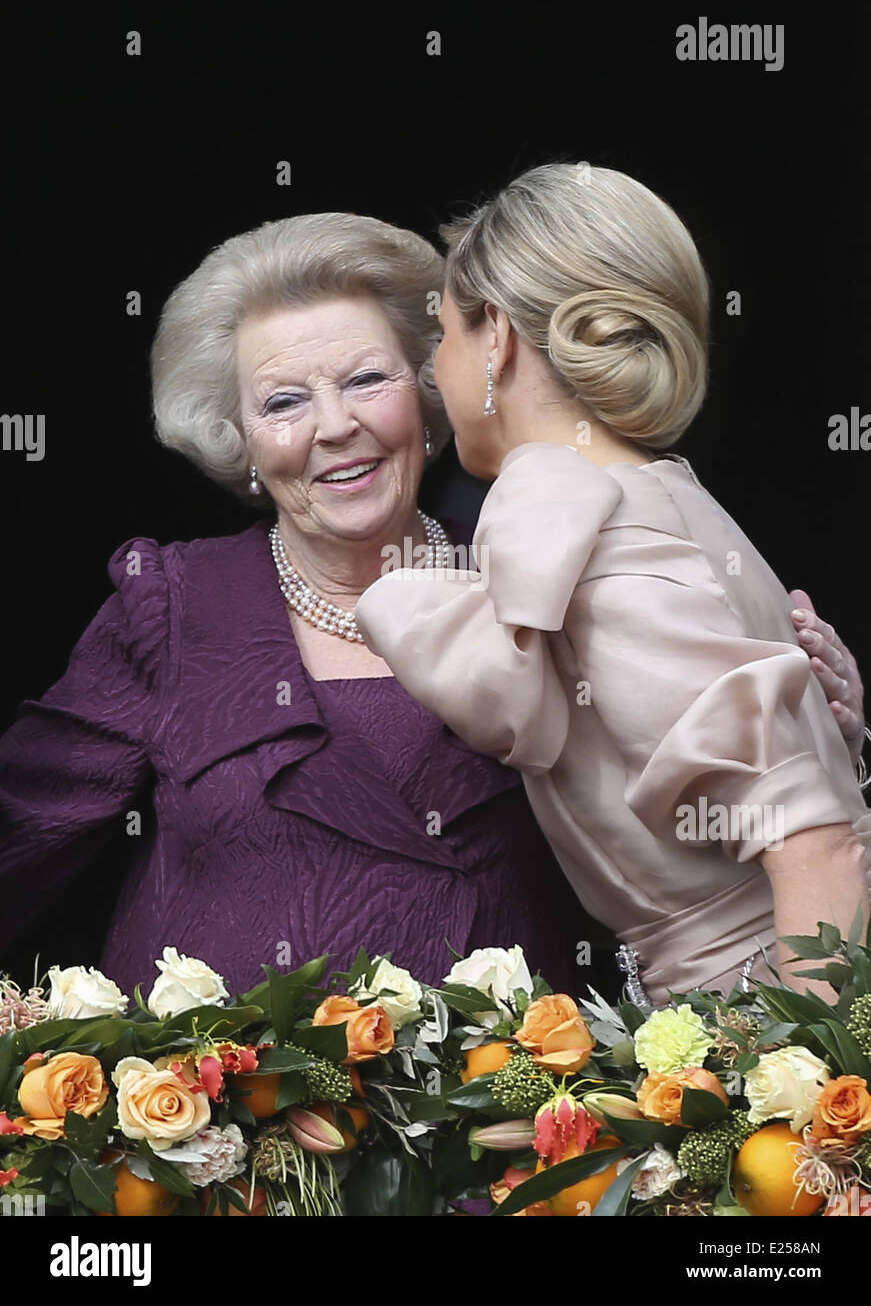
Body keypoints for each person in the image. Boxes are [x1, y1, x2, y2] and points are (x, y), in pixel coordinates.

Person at [0, 213, 592, 1000]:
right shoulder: (173, 606)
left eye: (366, 380)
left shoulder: (532, 578)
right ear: (238, 440)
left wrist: (799, 711)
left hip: (498, 1109)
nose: (336, 426)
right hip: (210, 1114)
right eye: (283, 402)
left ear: (427, 392)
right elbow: (18, 838)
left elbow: (691, 810)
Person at [355, 164, 871, 1006]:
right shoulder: (656, 498)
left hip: (766, 1033)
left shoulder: (600, 539)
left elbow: (816, 850)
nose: (432, 375)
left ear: (500, 342)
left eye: (443, 336)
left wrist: (809, 1115)